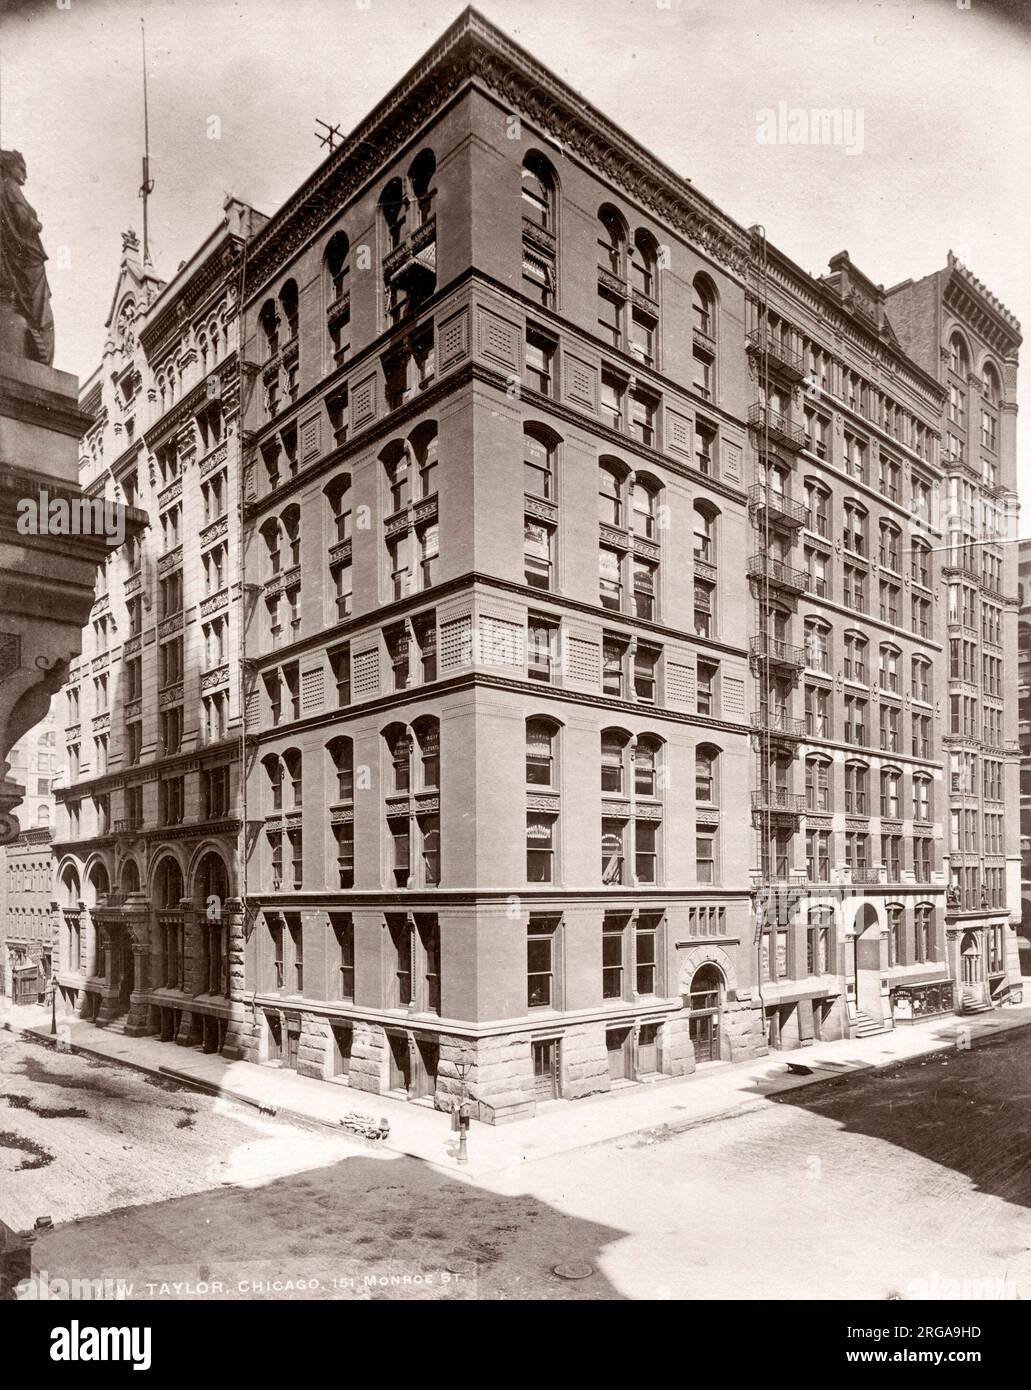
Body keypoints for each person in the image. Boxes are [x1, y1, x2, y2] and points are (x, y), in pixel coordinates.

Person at [0, 148, 55, 365]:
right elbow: (23, 220)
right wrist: (37, 224)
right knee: (42, 309)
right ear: (9, 167)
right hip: (29, 258)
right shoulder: (10, 187)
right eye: (21, 168)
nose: (25, 174)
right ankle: (42, 349)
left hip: (16, 259)